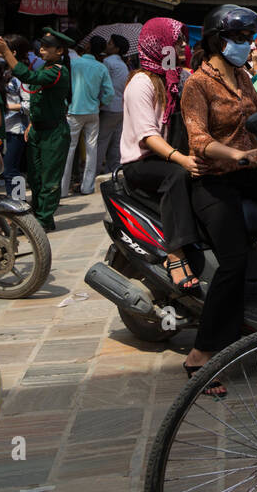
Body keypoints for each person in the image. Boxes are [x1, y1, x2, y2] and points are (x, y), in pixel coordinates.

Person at [181, 5, 257, 395]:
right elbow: (198, 139)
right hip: (215, 181)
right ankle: (201, 353)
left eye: (250, 39)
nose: (249, 46)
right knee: (232, 263)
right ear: (219, 41)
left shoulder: (242, 77)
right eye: (241, 39)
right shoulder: (196, 85)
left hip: (250, 176)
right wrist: (236, 154)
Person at [119, 18, 204, 289]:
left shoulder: (182, 77)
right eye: (175, 40)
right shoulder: (141, 83)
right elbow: (148, 137)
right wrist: (182, 159)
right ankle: (175, 255)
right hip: (142, 162)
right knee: (178, 176)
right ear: (158, 44)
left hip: (173, 156)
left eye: (182, 40)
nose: (181, 46)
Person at [0, 30, 72, 231]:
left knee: (49, 179)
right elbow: (37, 98)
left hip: (53, 133)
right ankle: (40, 216)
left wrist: (6, 52)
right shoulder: (46, 67)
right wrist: (32, 123)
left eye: (47, 46)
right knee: (35, 177)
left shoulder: (58, 71)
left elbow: (28, 76)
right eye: (40, 46)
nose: (41, 49)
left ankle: (44, 219)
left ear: (60, 50)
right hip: (37, 130)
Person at [62, 35, 114, 197]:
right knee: (92, 149)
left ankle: (62, 189)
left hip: (74, 110)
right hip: (92, 111)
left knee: (69, 150)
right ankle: (87, 187)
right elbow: (109, 93)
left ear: (88, 47)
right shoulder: (101, 67)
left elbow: (65, 87)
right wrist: (100, 103)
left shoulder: (73, 63)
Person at [0, 33, 31, 197]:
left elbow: (30, 104)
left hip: (17, 129)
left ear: (13, 52)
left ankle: (19, 206)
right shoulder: (2, 72)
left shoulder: (23, 75)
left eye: (2, 49)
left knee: (11, 169)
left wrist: (7, 107)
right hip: (2, 128)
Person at [97, 33, 131, 177]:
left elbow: (103, 86)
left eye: (110, 44)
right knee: (116, 143)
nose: (107, 45)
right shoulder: (123, 65)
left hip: (109, 107)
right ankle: (113, 171)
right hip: (121, 107)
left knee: (101, 142)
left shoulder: (108, 62)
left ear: (117, 48)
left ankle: (94, 173)